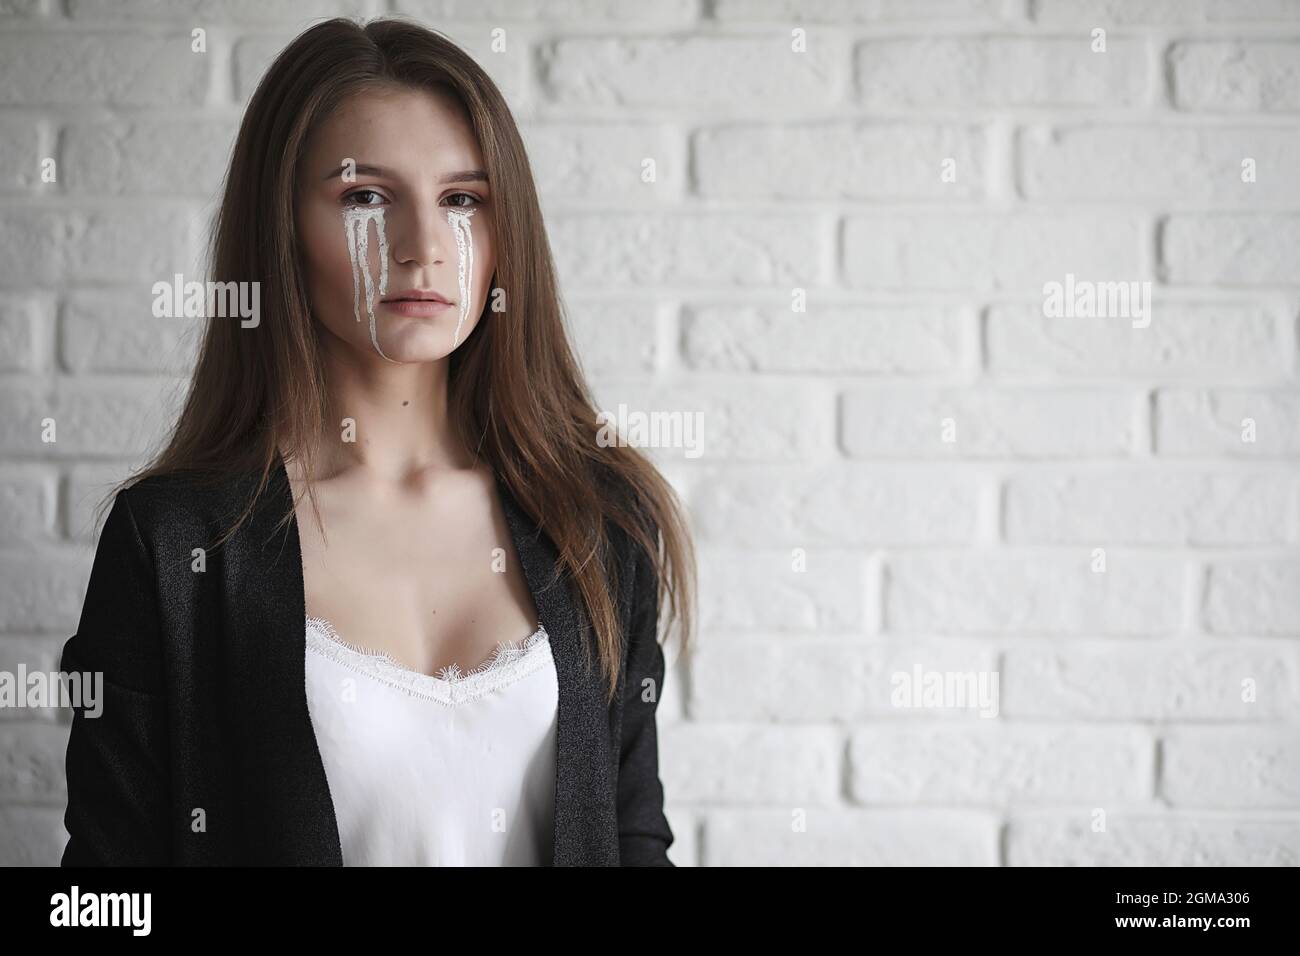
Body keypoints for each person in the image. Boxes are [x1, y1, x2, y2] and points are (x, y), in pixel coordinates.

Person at [59, 16, 694, 867]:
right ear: (281, 228)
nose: (424, 248)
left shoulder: (597, 521)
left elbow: (634, 841)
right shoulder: (174, 544)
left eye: (463, 200)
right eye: (365, 197)